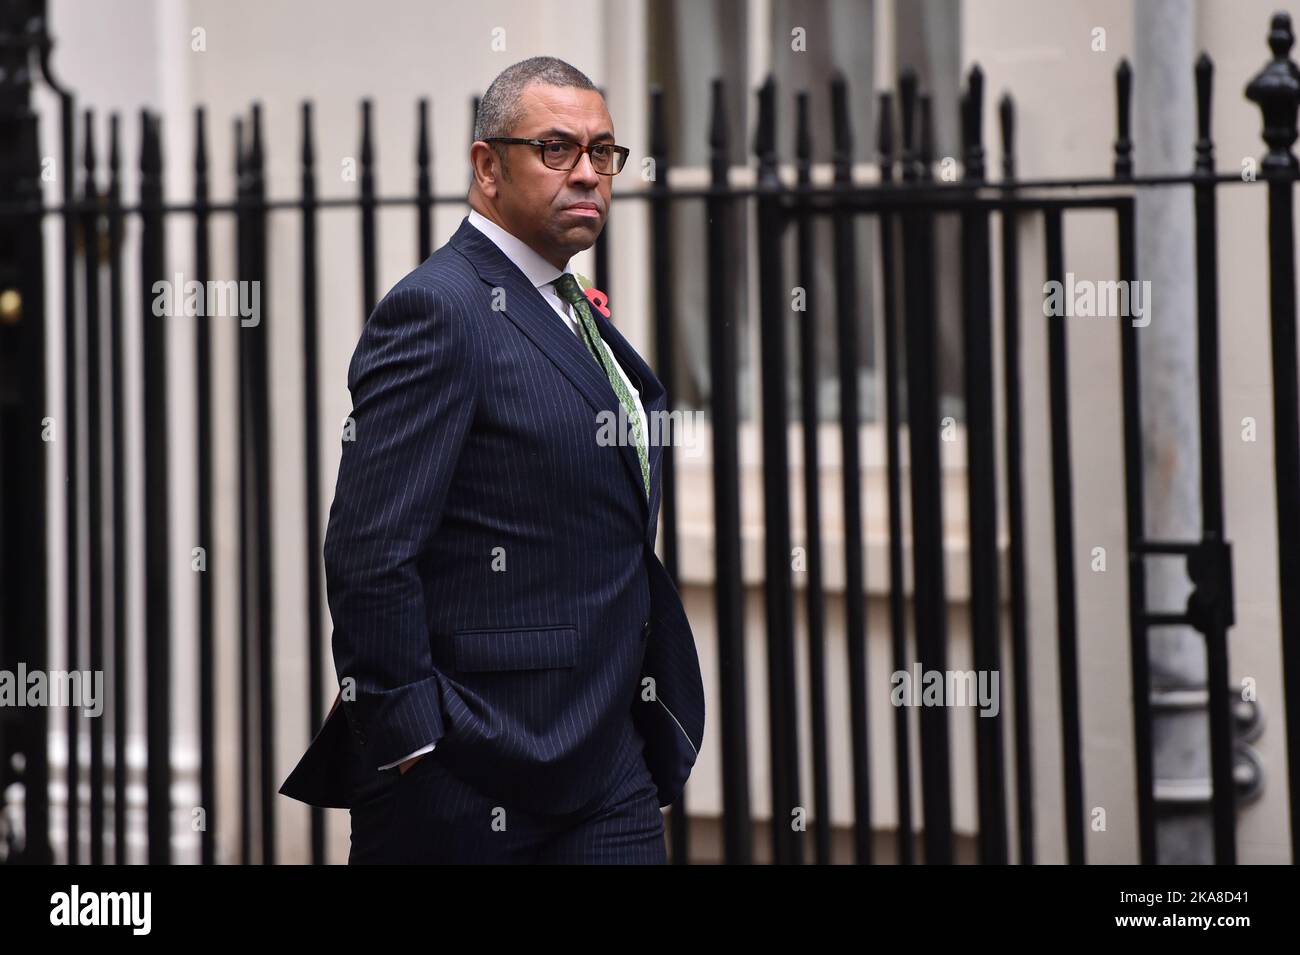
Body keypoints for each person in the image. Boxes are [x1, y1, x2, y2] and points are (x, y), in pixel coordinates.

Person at [279, 56, 705, 864]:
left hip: (606, 754)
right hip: (471, 770)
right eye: (556, 148)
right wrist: (414, 739)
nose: (587, 173)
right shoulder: (439, 309)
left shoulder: (566, 302)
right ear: (486, 167)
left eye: (603, 152)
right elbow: (370, 549)